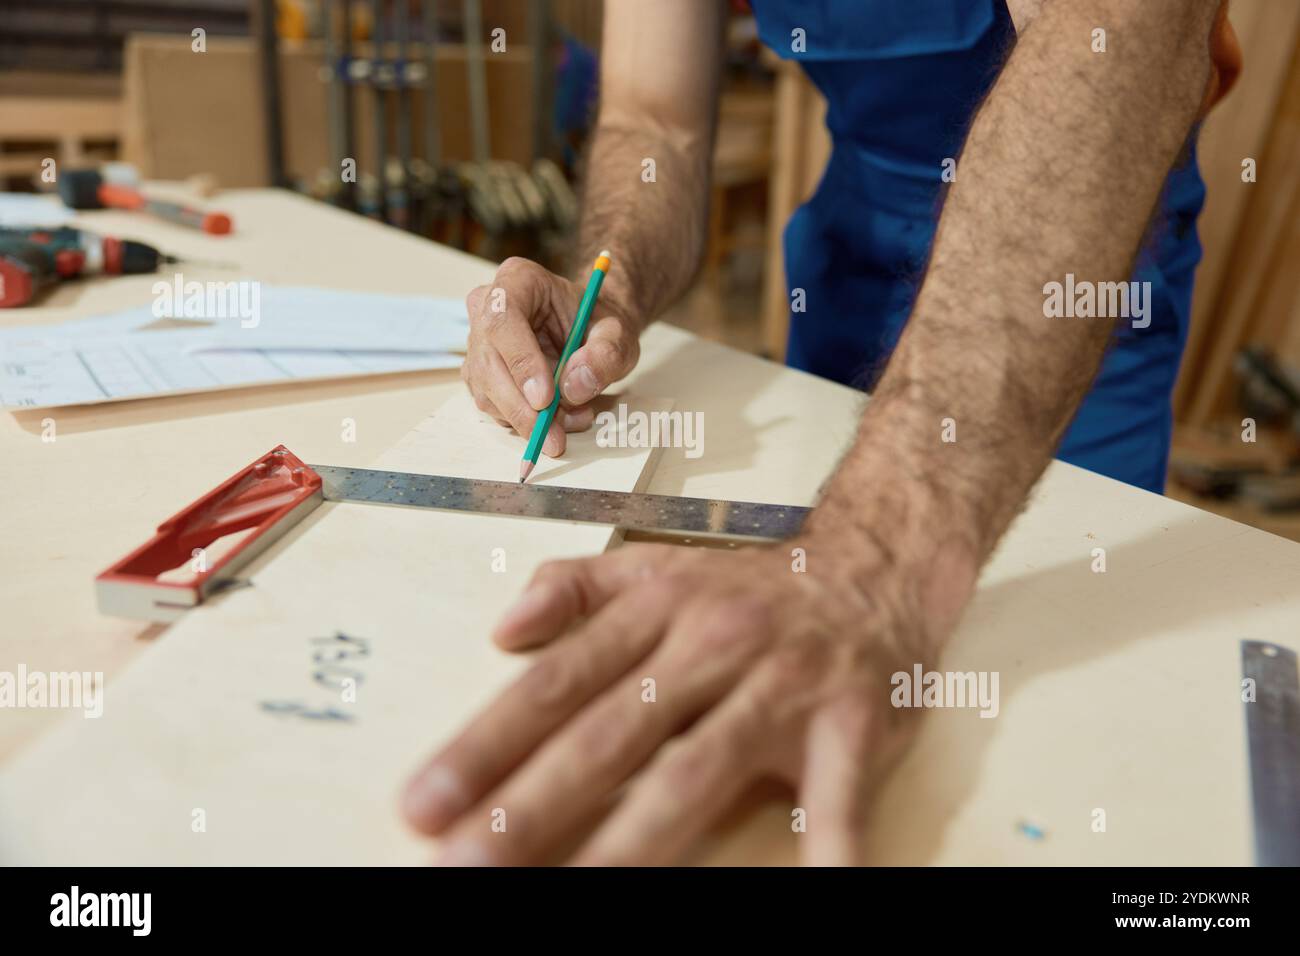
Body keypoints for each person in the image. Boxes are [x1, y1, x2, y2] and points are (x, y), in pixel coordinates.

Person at [402, 0, 1241, 865]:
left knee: (1063, 739)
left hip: (1064, 283)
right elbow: (656, 122)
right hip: (856, 267)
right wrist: (605, 292)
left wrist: (873, 562)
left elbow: (1121, 27)